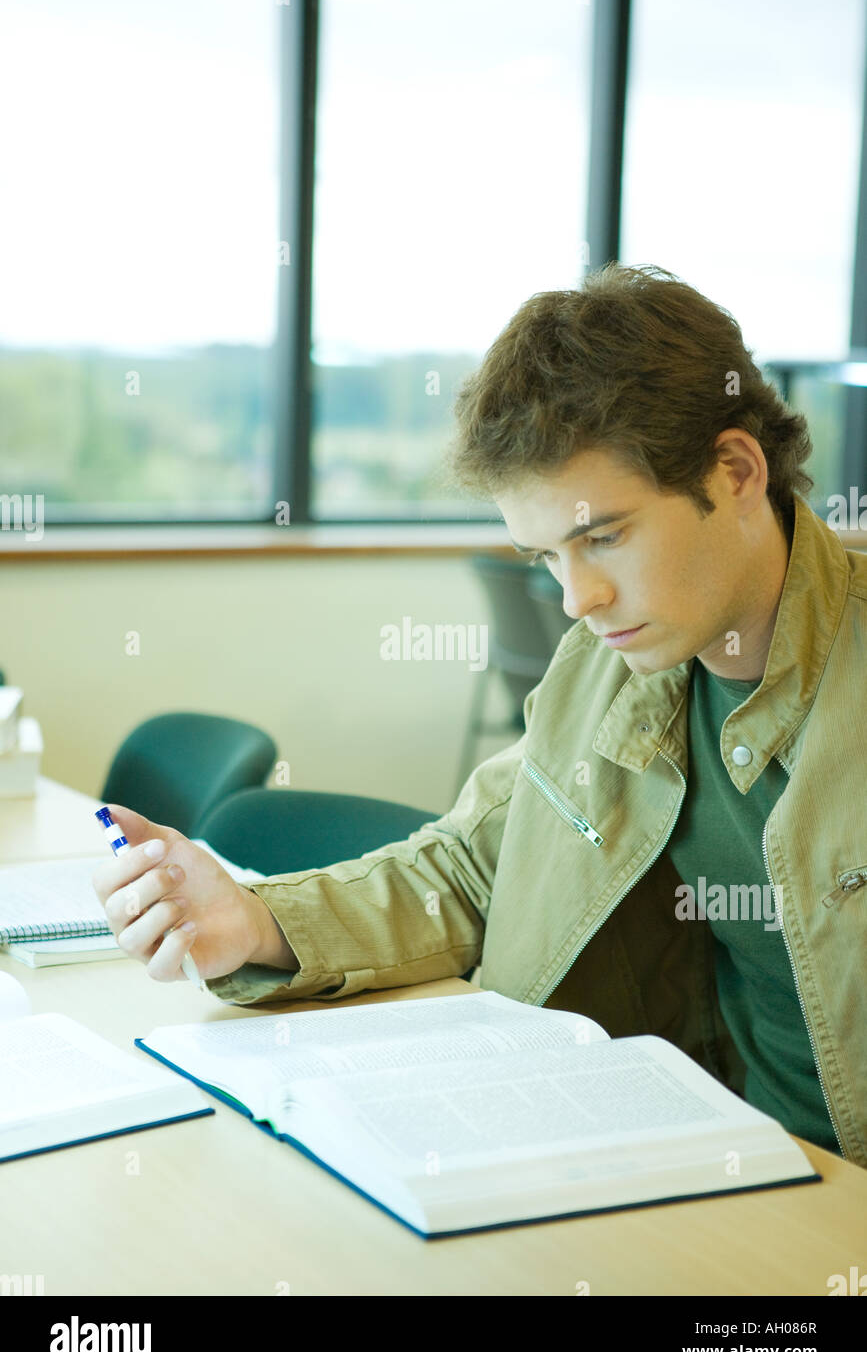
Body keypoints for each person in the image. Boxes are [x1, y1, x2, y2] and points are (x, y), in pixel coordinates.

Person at [92, 263, 867, 1168]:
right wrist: (260, 925)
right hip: (706, 1157)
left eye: (603, 536)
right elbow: (473, 862)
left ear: (734, 471)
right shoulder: (609, 665)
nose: (577, 597)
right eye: (545, 556)